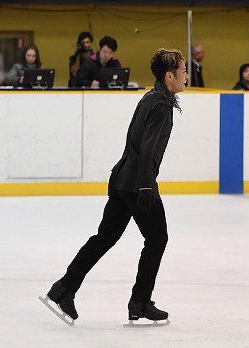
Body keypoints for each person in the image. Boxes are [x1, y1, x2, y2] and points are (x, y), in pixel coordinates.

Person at [43, 48, 187, 325]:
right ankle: (140, 302)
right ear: (169, 76)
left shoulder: (151, 97)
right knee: (157, 238)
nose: (186, 76)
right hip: (137, 184)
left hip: (122, 179)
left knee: (105, 237)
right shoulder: (161, 105)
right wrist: (146, 186)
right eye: (182, 71)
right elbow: (147, 149)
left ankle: (63, 288)